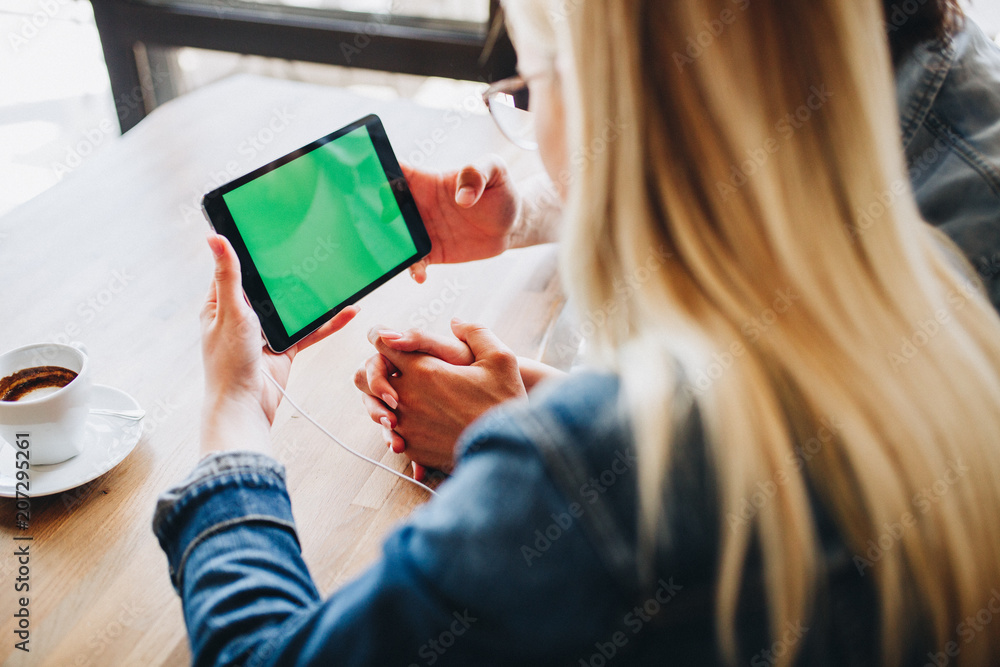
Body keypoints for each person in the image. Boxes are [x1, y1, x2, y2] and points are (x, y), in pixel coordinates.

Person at [154, 1, 1000, 665]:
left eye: (531, 85)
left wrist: (234, 413)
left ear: (623, 103)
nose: (533, 121)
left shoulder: (579, 472)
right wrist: (541, 404)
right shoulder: (944, 300)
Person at [358, 0, 1000, 476]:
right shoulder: (814, 63)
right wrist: (522, 217)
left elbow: (799, 529)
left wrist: (530, 440)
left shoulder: (964, 222)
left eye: (538, 84)